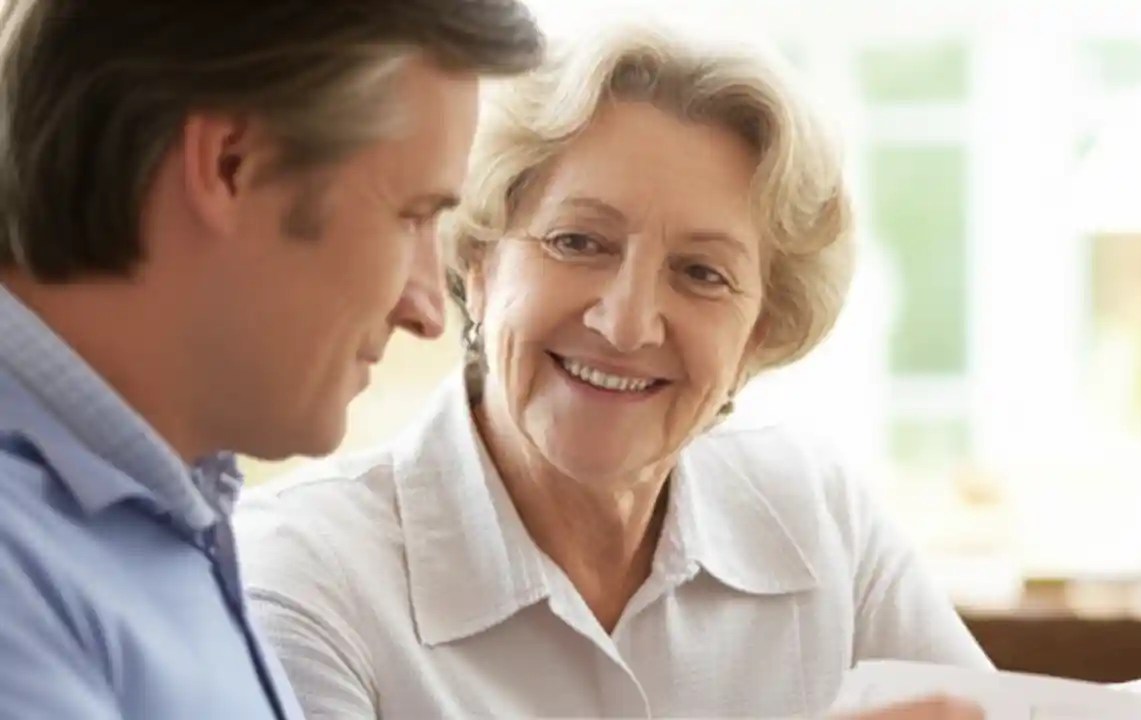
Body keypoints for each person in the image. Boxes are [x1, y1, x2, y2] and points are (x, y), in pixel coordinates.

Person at [237, 22, 988, 719]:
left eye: (700, 273)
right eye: (578, 242)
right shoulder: (306, 576)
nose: (626, 323)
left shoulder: (817, 518)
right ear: (481, 258)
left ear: (758, 333)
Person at [0, 2, 541, 718]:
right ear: (231, 165)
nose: (427, 309)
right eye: (411, 216)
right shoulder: (25, 584)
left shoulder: (165, 519)